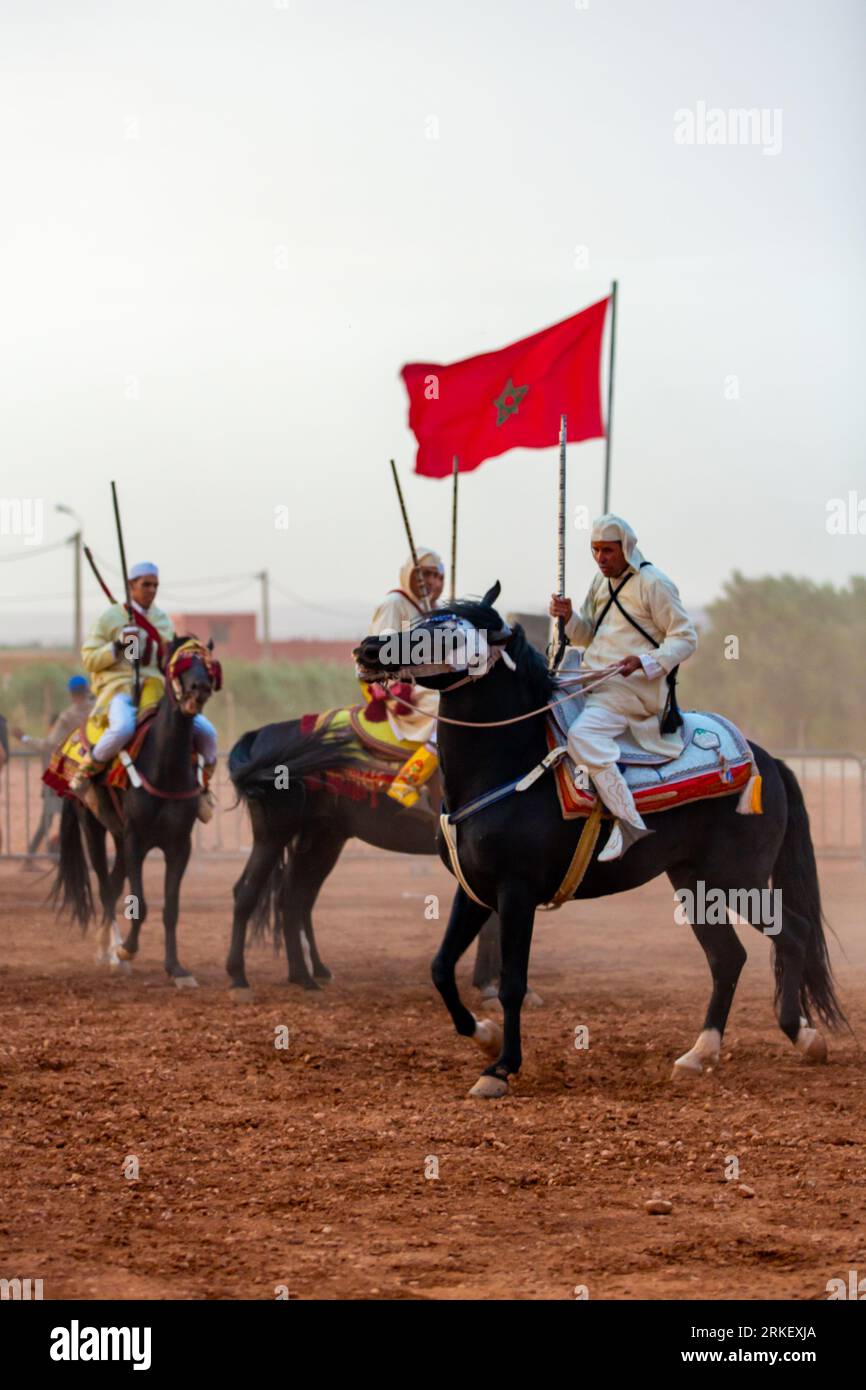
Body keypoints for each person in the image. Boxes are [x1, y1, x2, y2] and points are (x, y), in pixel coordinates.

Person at [549, 514, 697, 861]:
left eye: (608, 551)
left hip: (630, 693)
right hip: (592, 682)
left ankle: (629, 821)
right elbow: (586, 635)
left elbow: (686, 638)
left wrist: (643, 663)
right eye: (596, 550)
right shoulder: (600, 583)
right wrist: (569, 617)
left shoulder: (654, 583)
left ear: (625, 549)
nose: (601, 558)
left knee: (582, 737)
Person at [67, 562, 217, 820]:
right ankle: (86, 774)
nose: (152, 590)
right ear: (131, 585)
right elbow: (89, 658)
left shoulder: (161, 620)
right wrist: (119, 646)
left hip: (157, 690)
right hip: (120, 688)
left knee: (207, 732)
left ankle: (201, 787)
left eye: (155, 585)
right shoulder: (112, 618)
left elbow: (164, 662)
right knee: (123, 728)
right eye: (146, 584)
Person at [366, 548, 445, 808]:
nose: (431, 583)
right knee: (446, 710)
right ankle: (406, 782)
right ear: (409, 575)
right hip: (395, 684)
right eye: (424, 575)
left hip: (425, 681)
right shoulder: (394, 604)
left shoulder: (434, 610)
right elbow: (381, 654)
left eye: (437, 576)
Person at [12, 675, 93, 857]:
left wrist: (24, 738)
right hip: (91, 773)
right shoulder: (98, 712)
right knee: (87, 819)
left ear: (72, 694)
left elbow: (48, 745)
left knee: (49, 819)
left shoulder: (67, 717)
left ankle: (32, 855)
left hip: (64, 777)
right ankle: (90, 858)